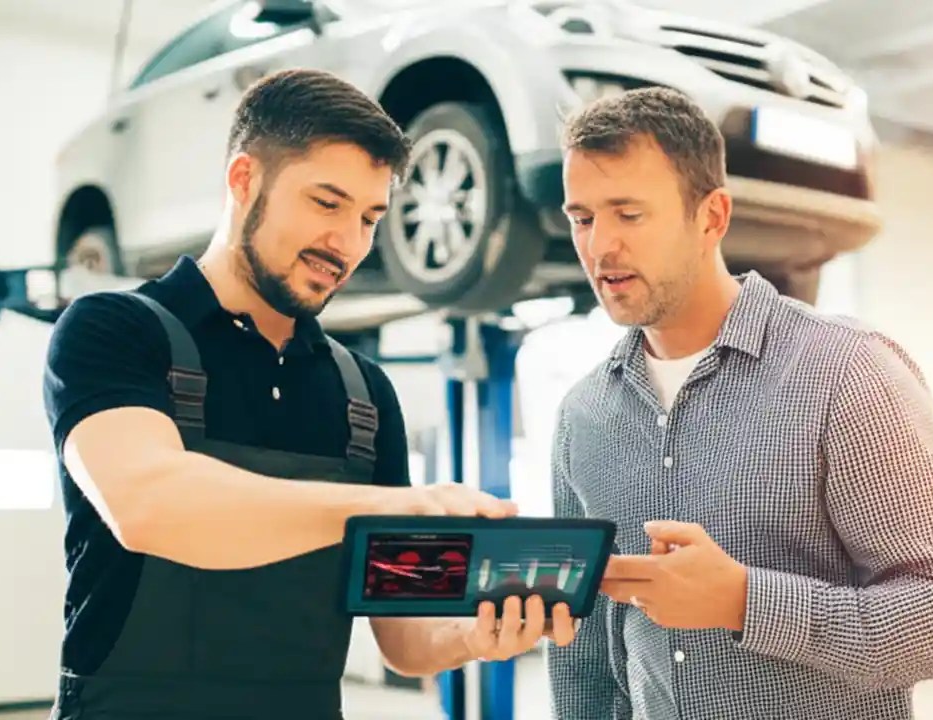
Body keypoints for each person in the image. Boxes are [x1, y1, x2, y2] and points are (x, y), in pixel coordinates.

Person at [42, 68, 575, 720]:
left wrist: (477, 634)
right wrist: (390, 509)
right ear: (244, 180)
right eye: (327, 204)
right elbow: (149, 505)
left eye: (370, 217)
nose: (348, 244)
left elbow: (404, 638)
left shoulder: (364, 397)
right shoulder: (115, 330)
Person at [545, 87, 933, 719]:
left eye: (629, 214)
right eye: (583, 218)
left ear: (712, 217)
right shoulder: (583, 416)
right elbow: (585, 661)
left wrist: (745, 601)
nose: (599, 247)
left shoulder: (846, 372)